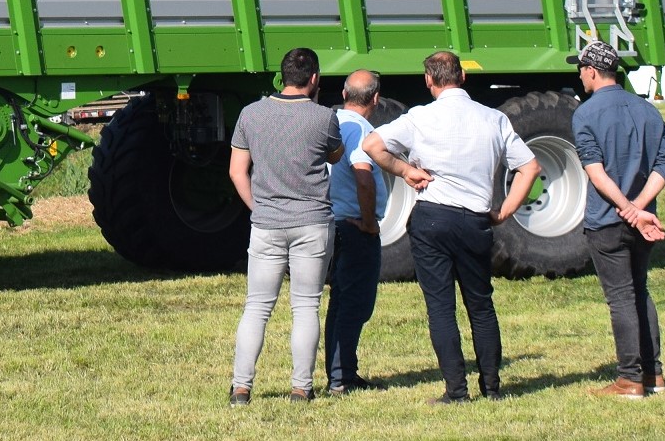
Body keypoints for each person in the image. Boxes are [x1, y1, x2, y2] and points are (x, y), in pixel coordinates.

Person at [359, 51, 541, 405]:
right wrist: (503, 211)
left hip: (433, 216)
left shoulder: (421, 118)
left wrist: (405, 171)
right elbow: (530, 168)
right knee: (481, 305)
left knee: (441, 307)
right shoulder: (494, 119)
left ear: (429, 80)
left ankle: (456, 390)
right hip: (474, 219)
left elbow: (372, 145)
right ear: (463, 77)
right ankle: (492, 387)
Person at [228, 48, 344, 406]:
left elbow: (236, 171)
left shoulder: (251, 114)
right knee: (306, 306)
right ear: (314, 78)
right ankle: (300, 387)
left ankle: (241, 387)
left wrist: (258, 207)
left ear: (282, 77)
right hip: (312, 222)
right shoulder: (324, 118)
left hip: (266, 223)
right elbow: (335, 157)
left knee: (257, 307)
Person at [569, 41, 665, 399]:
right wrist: (641, 207)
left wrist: (626, 208)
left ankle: (629, 379)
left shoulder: (585, 114)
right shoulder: (648, 110)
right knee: (640, 290)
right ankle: (654, 375)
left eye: (581, 68)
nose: (580, 75)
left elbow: (596, 172)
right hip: (645, 220)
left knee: (621, 297)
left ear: (593, 72)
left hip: (607, 220)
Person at [324, 70, 389, 395]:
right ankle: (341, 377)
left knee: (340, 302)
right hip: (353, 225)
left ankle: (340, 371)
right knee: (355, 304)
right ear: (375, 99)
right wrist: (368, 222)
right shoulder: (361, 130)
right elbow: (363, 176)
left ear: (344, 93)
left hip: (332, 223)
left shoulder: (333, 122)